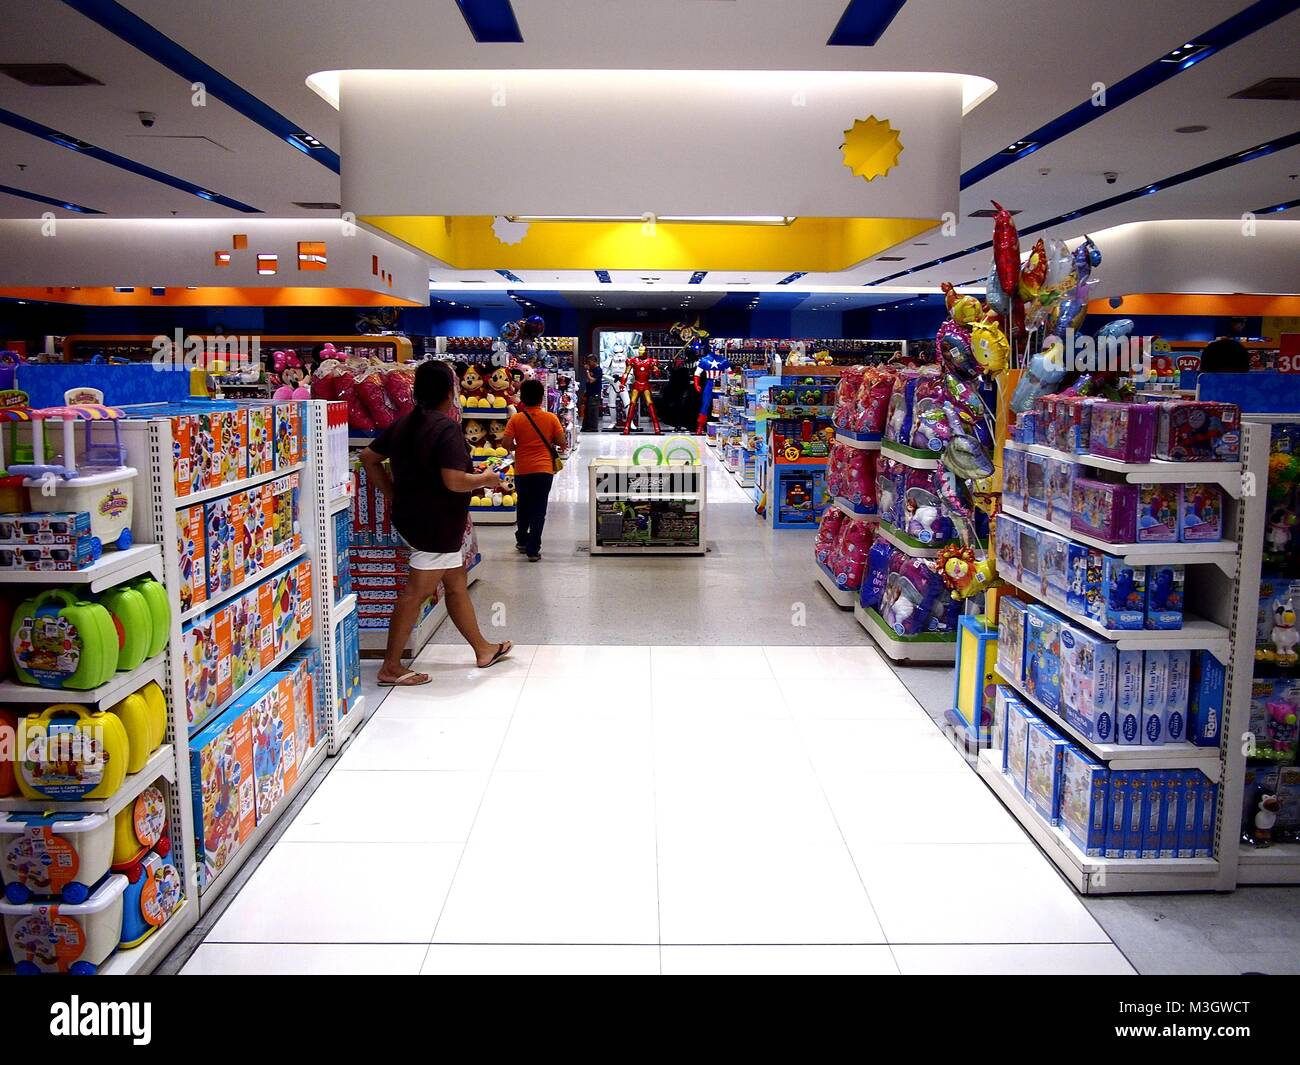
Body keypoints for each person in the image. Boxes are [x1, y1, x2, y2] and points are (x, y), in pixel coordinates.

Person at [360, 360, 512, 684]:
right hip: (436, 523)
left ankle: (483, 649)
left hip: (417, 518)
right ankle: (391, 667)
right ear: (449, 391)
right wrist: (486, 478)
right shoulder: (445, 428)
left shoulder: (405, 423)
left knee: (456, 585)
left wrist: (392, 493)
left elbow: (368, 457)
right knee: (415, 593)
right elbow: (455, 481)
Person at [500, 378, 567, 561]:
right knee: (539, 508)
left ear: (523, 398)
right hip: (544, 470)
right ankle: (533, 548)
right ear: (541, 397)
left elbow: (506, 443)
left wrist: (519, 447)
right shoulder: (551, 418)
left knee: (523, 505)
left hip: (523, 469)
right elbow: (562, 442)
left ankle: (522, 539)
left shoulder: (516, 419)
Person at [582, 354, 603, 431]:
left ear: (594, 361)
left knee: (593, 411)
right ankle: (586, 427)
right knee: (587, 411)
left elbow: (591, 380)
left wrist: (587, 371)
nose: (589, 364)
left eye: (590, 362)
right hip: (589, 393)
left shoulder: (598, 370)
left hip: (595, 393)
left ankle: (593, 427)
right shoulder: (591, 369)